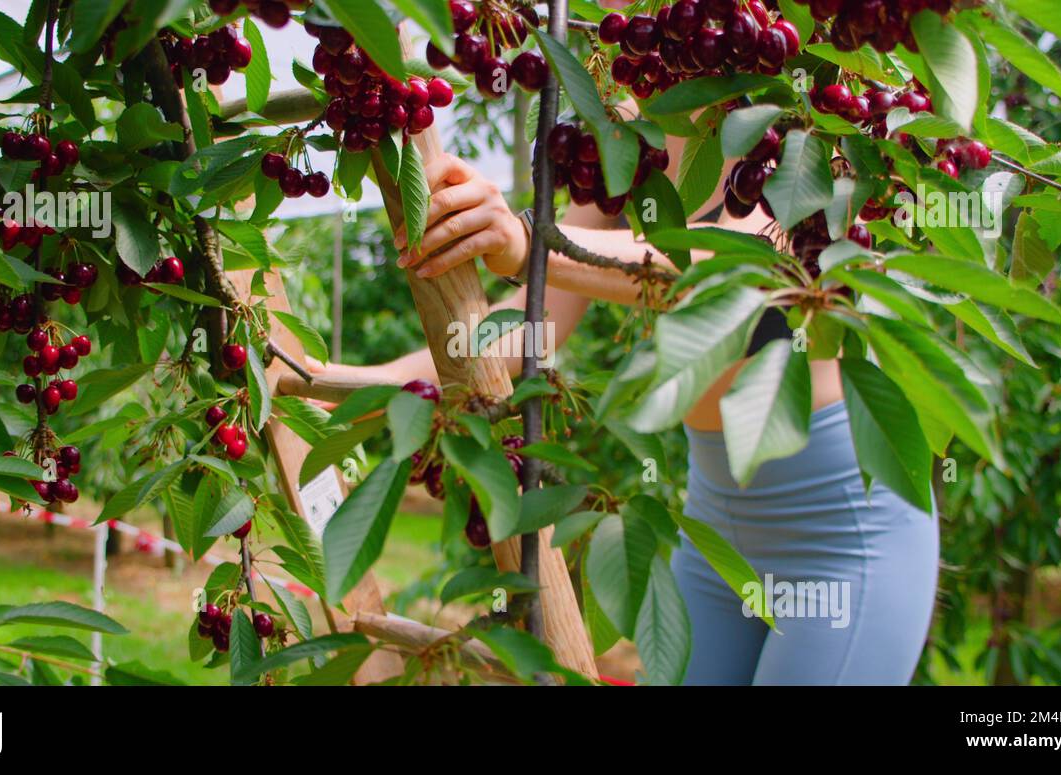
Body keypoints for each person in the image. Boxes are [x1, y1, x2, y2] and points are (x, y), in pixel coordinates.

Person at [311, 126, 938, 685]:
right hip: (717, 533)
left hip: (841, 533)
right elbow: (531, 331)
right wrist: (364, 388)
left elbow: (734, 269)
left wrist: (530, 241)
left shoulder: (796, 116)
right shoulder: (622, 137)